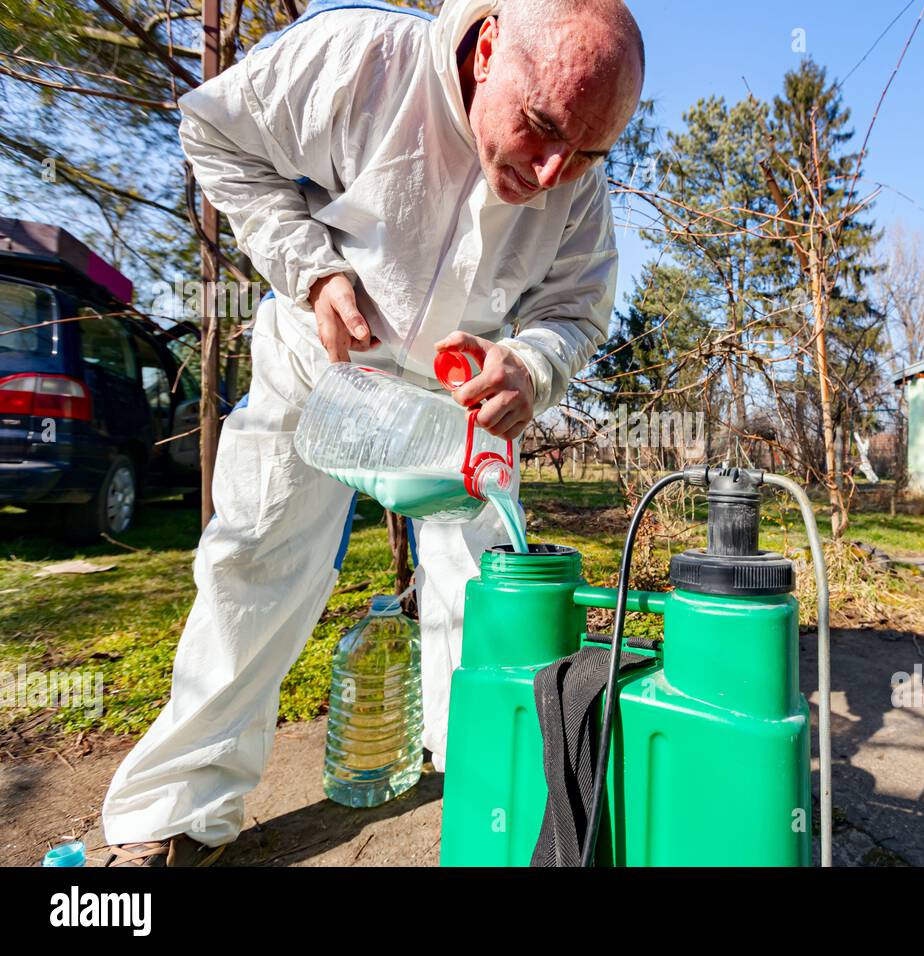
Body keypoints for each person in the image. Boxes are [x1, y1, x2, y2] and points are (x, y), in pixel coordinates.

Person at [100, 0, 644, 867]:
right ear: (490, 44)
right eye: (540, 128)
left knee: (488, 592)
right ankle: (175, 809)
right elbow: (217, 133)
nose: (552, 173)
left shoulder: (577, 182)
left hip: (461, 404)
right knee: (256, 560)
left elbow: (576, 308)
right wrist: (310, 271)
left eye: (586, 152)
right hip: (321, 362)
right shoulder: (361, 59)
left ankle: (478, 773)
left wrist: (531, 367)